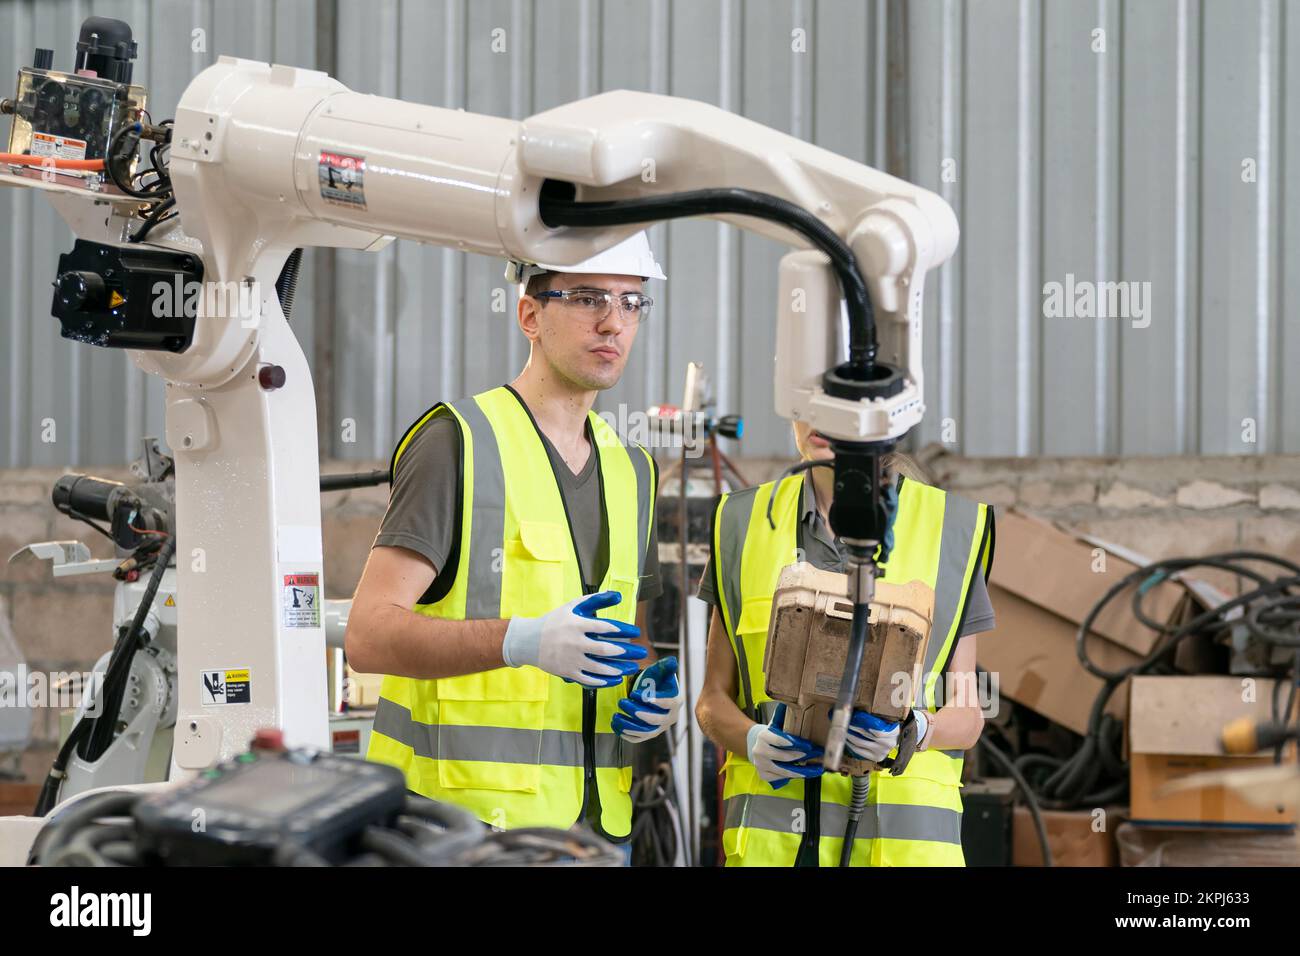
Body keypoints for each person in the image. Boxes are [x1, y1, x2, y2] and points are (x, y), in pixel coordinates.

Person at [348, 232, 683, 846]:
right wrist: (519, 641)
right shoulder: (458, 441)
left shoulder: (633, 469)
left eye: (632, 302)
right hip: (459, 829)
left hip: (597, 833)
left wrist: (645, 698)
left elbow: (624, 637)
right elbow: (367, 636)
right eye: (588, 298)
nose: (613, 323)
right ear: (529, 314)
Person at [695, 421, 996, 865]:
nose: (819, 420)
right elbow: (711, 700)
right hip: (774, 847)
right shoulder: (741, 523)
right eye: (806, 401)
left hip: (903, 849)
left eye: (835, 403)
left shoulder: (952, 528)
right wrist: (751, 739)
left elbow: (969, 714)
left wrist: (914, 731)